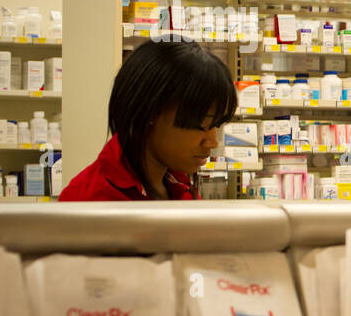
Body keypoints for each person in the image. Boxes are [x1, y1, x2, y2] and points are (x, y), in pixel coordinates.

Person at [60, 37, 238, 201]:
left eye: (216, 125)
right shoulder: (89, 201)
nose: (213, 142)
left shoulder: (177, 183)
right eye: (202, 124)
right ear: (151, 110)